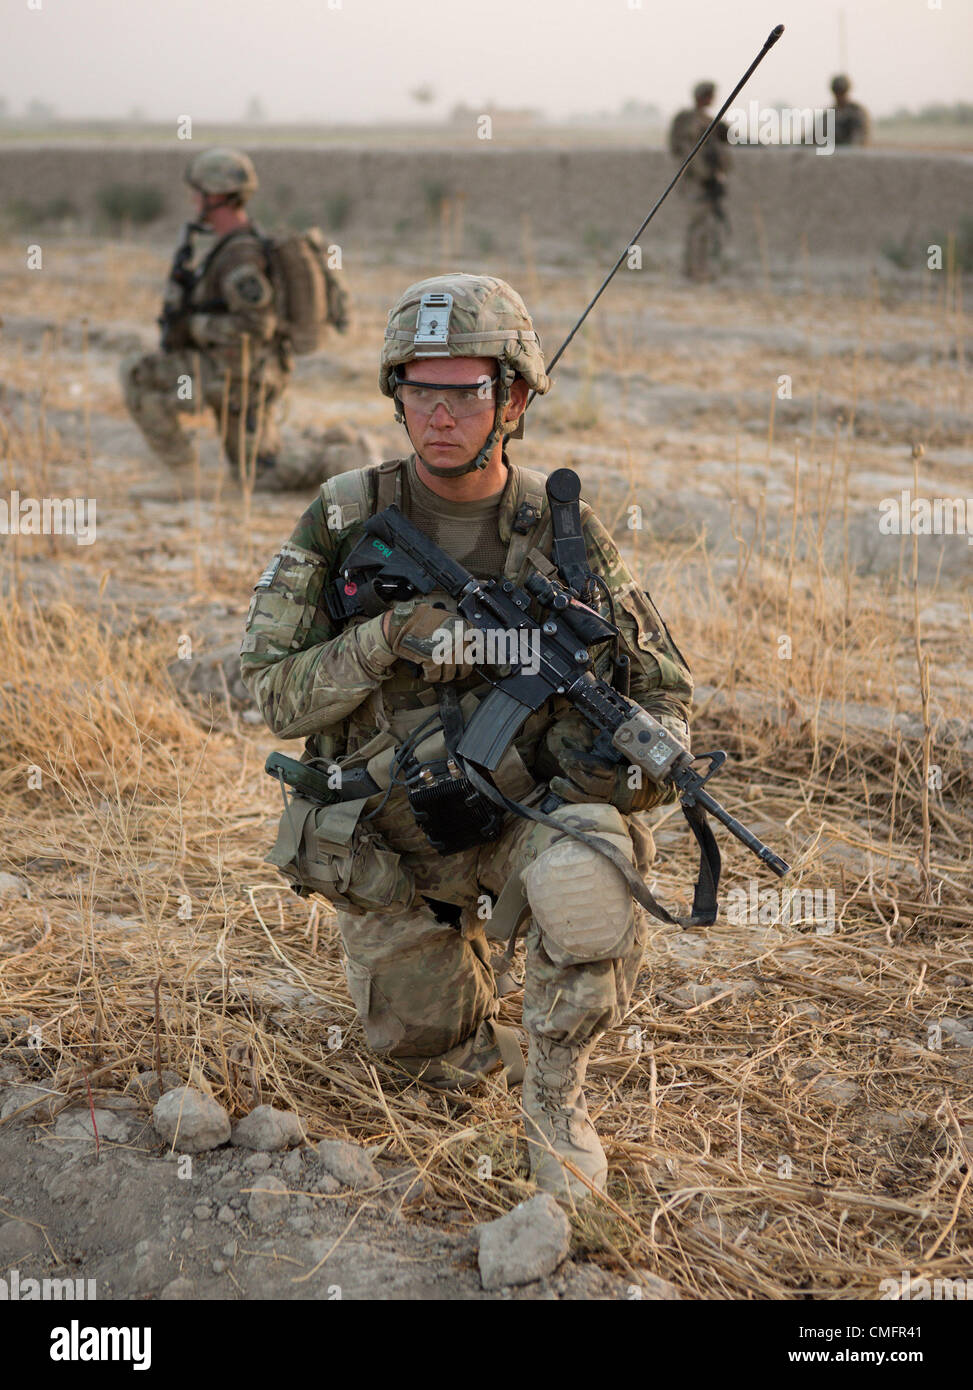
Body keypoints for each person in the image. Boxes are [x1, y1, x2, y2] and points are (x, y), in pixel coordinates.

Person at [240, 273, 693, 1203]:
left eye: (467, 391)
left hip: (522, 819)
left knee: (591, 868)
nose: (439, 414)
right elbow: (268, 693)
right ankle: (473, 1012)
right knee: (422, 1064)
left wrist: (637, 764)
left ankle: (555, 1104)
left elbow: (662, 690)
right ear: (396, 394)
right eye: (419, 389)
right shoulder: (344, 513)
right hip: (393, 839)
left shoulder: (562, 530)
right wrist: (384, 641)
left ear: (515, 398)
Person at [121, 148, 299, 491]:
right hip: (240, 370)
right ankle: (339, 455)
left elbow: (257, 326)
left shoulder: (239, 257)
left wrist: (195, 327)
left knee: (136, 374)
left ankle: (185, 478)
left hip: (239, 373)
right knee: (256, 475)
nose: (192, 200)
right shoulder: (228, 246)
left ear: (215, 195)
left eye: (197, 192)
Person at [668, 81, 731, 282]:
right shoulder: (686, 119)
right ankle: (692, 270)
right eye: (708, 95)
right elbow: (680, 147)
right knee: (697, 226)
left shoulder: (710, 120)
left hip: (709, 180)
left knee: (706, 228)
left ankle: (699, 268)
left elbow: (727, 138)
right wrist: (701, 171)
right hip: (695, 180)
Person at [830, 74, 870, 147]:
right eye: (837, 91)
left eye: (842, 91)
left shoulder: (856, 113)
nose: (839, 95)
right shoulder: (828, 115)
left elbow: (859, 139)